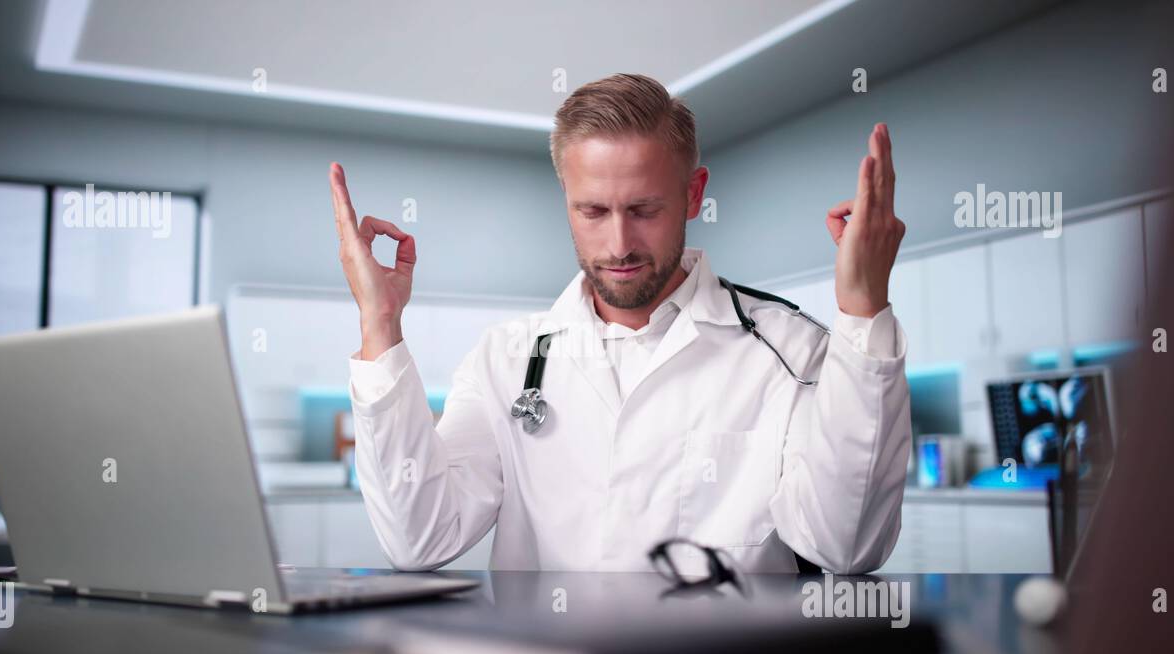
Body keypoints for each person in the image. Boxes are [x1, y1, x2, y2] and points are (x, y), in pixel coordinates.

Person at [327, 73, 910, 574]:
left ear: (693, 194)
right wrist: (380, 324)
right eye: (593, 211)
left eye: (644, 210)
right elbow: (420, 538)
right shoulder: (503, 359)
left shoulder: (790, 349)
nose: (619, 243)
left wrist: (863, 309)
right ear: (566, 199)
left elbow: (847, 547)